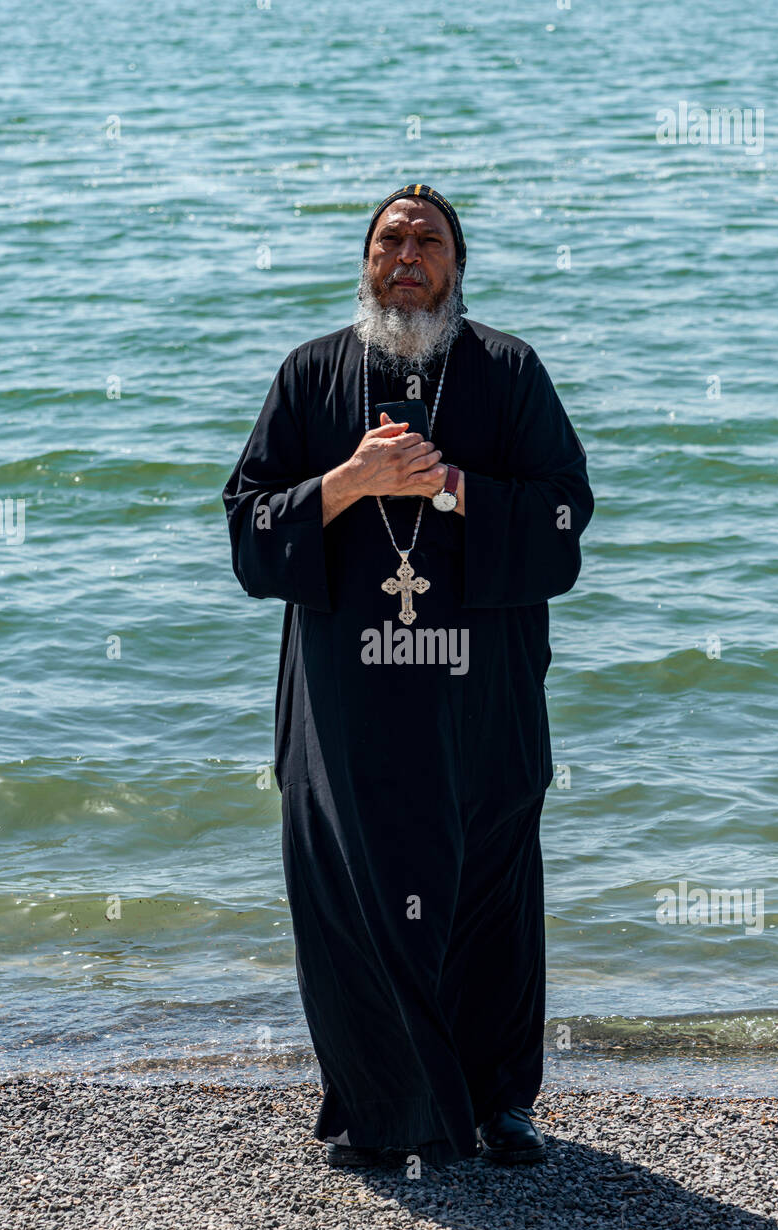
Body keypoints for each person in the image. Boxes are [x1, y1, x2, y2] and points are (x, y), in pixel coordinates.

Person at [222, 183, 594, 1168]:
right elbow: (248, 533)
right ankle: (375, 1107)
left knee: (488, 882)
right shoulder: (309, 378)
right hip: (348, 702)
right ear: (365, 263)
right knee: (353, 887)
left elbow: (565, 517)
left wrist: (455, 488)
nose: (407, 254)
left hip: (483, 694)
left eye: (428, 239)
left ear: (458, 267)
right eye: (390, 238)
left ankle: (498, 1104)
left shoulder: (510, 373)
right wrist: (350, 483)